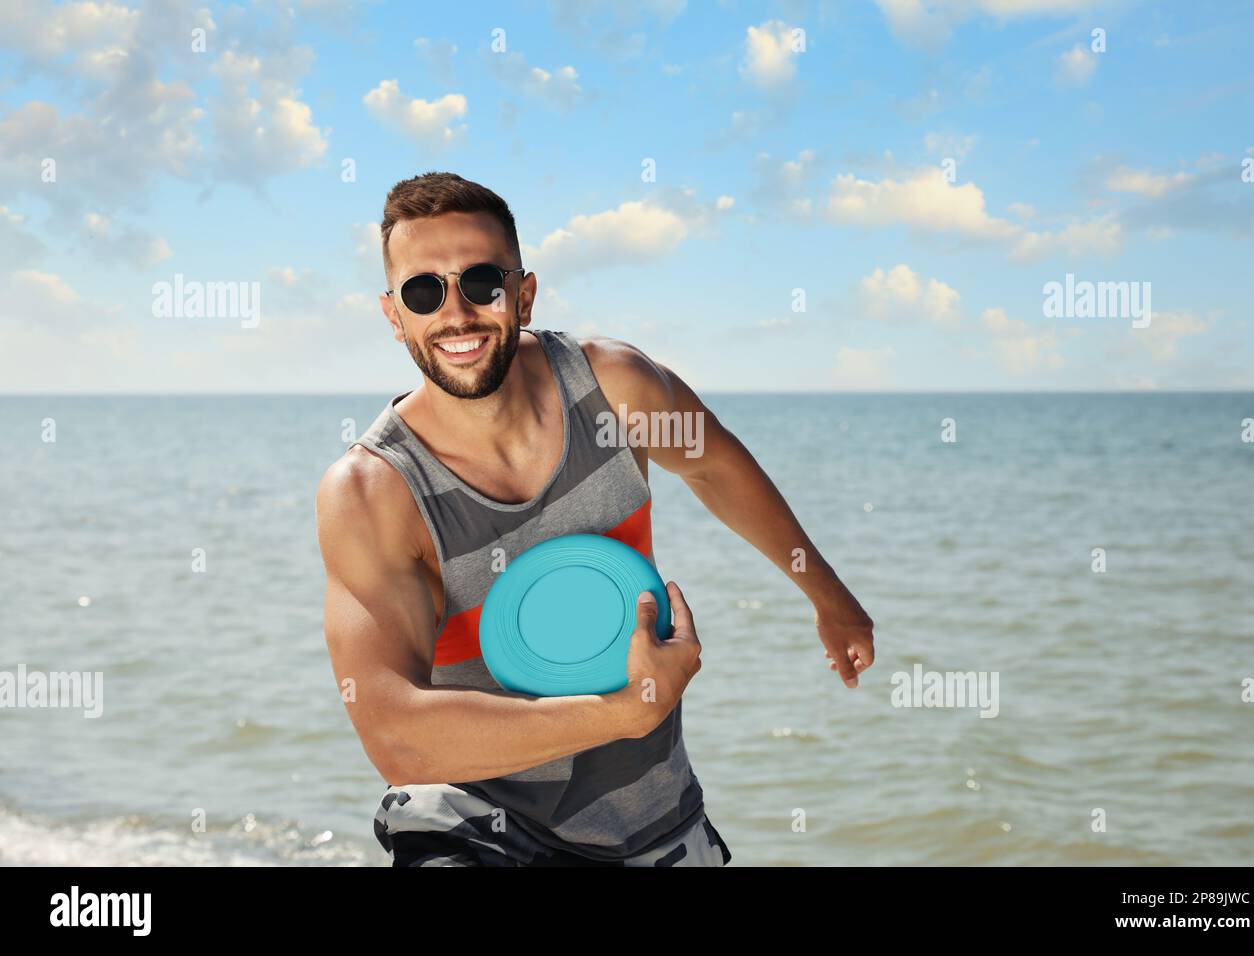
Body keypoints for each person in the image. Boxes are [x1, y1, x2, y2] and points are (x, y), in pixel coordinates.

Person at [315, 171, 875, 866]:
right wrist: (623, 712)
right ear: (394, 313)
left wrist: (830, 596)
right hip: (469, 822)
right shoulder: (373, 492)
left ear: (523, 293)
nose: (456, 314)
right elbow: (395, 735)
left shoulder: (613, 387)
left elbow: (715, 466)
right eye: (424, 291)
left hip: (649, 815)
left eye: (482, 282)